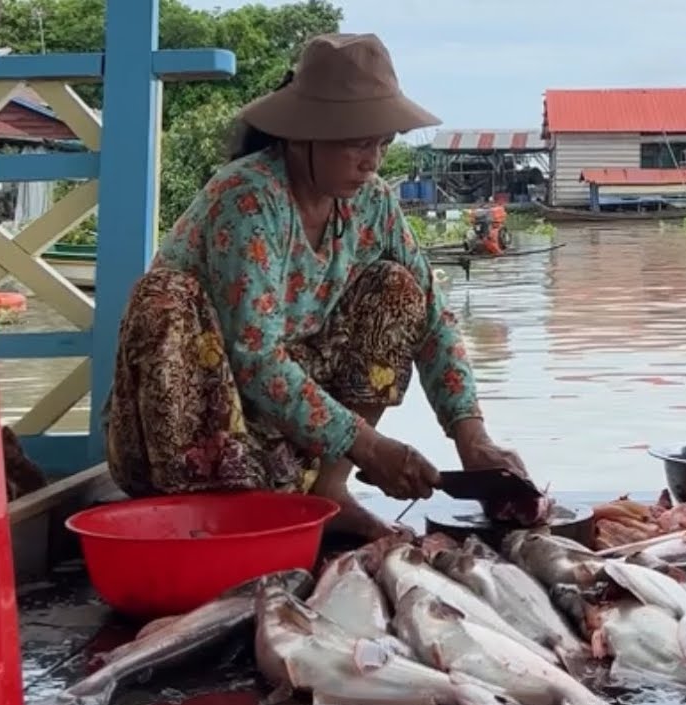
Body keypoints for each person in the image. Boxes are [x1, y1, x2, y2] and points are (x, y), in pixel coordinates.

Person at [102, 33, 527, 539]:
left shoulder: (373, 203)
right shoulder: (248, 199)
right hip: (192, 424)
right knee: (165, 300)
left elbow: (434, 320)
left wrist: (471, 437)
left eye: (382, 143)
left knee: (396, 290)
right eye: (358, 143)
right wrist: (369, 446)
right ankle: (204, 514)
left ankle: (328, 490)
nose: (373, 162)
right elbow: (256, 359)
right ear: (304, 135)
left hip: (286, 428)